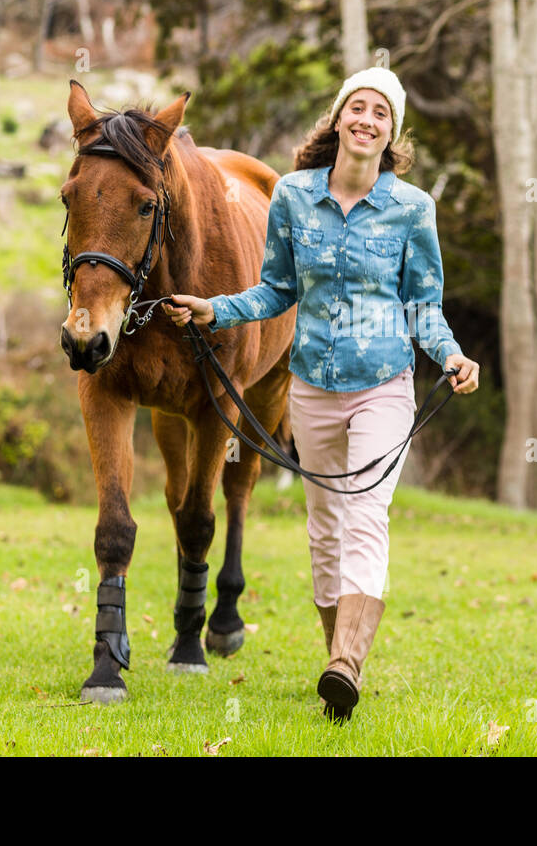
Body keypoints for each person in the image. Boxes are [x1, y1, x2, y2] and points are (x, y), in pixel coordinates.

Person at [166, 66, 479, 722]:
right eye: (357, 108)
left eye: (381, 114)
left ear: (390, 133)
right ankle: (339, 660)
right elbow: (278, 289)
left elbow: (423, 304)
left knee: (365, 514)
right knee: (325, 528)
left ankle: (347, 663)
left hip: (383, 387)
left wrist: (449, 354)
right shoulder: (293, 197)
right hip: (311, 389)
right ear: (338, 119)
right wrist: (215, 310)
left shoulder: (411, 208)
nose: (367, 120)